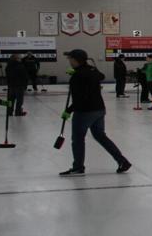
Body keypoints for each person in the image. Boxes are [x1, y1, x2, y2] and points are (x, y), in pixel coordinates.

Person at [56, 49, 132, 178]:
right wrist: (83, 70)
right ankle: (122, 161)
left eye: (70, 59)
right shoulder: (91, 71)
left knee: (78, 139)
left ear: (75, 60)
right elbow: (100, 76)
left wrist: (68, 110)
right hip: (99, 110)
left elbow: (81, 98)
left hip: (84, 112)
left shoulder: (77, 76)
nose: (69, 61)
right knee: (101, 136)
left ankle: (78, 167)